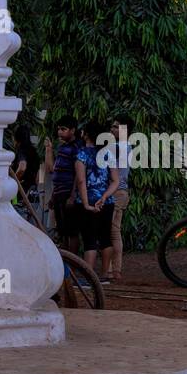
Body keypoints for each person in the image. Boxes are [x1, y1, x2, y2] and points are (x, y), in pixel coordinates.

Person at [73, 120, 120, 283]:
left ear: (86, 135)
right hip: (107, 202)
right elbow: (115, 181)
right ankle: (105, 274)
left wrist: (86, 203)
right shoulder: (108, 154)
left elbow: (81, 181)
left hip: (88, 201)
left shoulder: (81, 154)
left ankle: (89, 276)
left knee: (89, 239)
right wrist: (105, 196)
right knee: (105, 237)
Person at [44, 116, 80, 249]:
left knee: (71, 231)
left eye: (63, 129)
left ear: (72, 130)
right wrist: (49, 149)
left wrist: (72, 195)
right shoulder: (62, 148)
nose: (60, 132)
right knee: (62, 230)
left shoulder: (76, 148)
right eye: (59, 129)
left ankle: (73, 263)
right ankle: (66, 263)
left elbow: (78, 173)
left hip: (68, 193)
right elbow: (53, 170)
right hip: (59, 193)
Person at [105, 114, 132, 282]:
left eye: (115, 127)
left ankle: (110, 271)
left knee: (111, 233)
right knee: (115, 232)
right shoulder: (128, 146)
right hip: (122, 192)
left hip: (115, 192)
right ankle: (115, 270)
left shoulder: (115, 147)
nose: (112, 129)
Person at [10, 124, 41, 198]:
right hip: (31, 191)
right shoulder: (34, 151)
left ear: (16, 138)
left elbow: (22, 168)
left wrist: (14, 181)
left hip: (22, 191)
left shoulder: (21, 150)